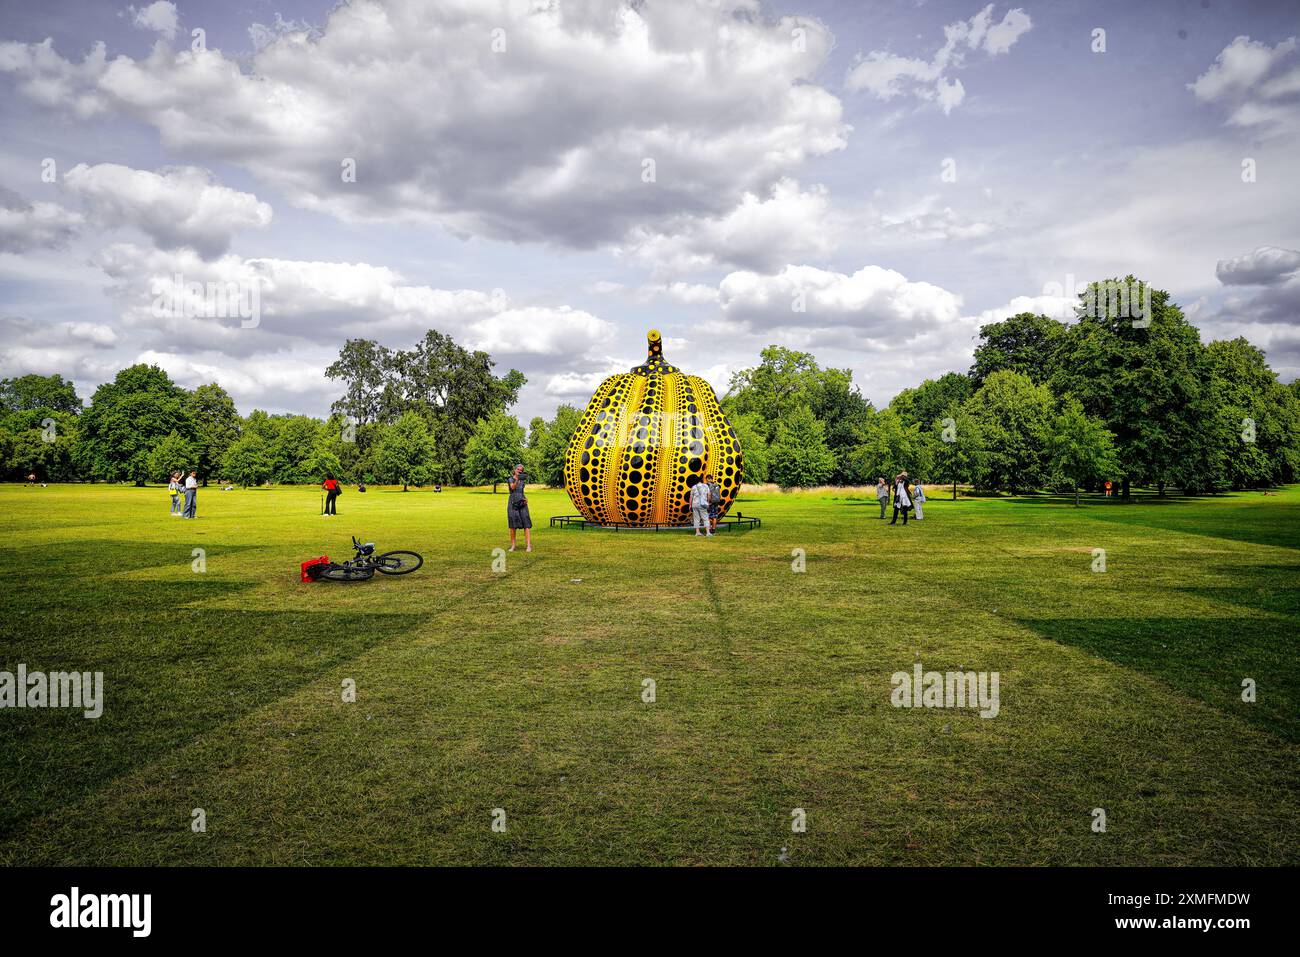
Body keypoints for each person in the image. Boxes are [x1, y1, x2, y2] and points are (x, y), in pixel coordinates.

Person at [507, 463, 532, 552]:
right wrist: (517, 479)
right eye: (518, 470)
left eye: (521, 471)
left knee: (526, 524)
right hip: (512, 503)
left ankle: (528, 546)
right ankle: (513, 546)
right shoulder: (511, 479)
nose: (520, 472)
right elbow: (513, 487)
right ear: (515, 470)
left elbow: (520, 491)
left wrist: (525, 498)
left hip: (522, 502)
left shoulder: (522, 481)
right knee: (512, 525)